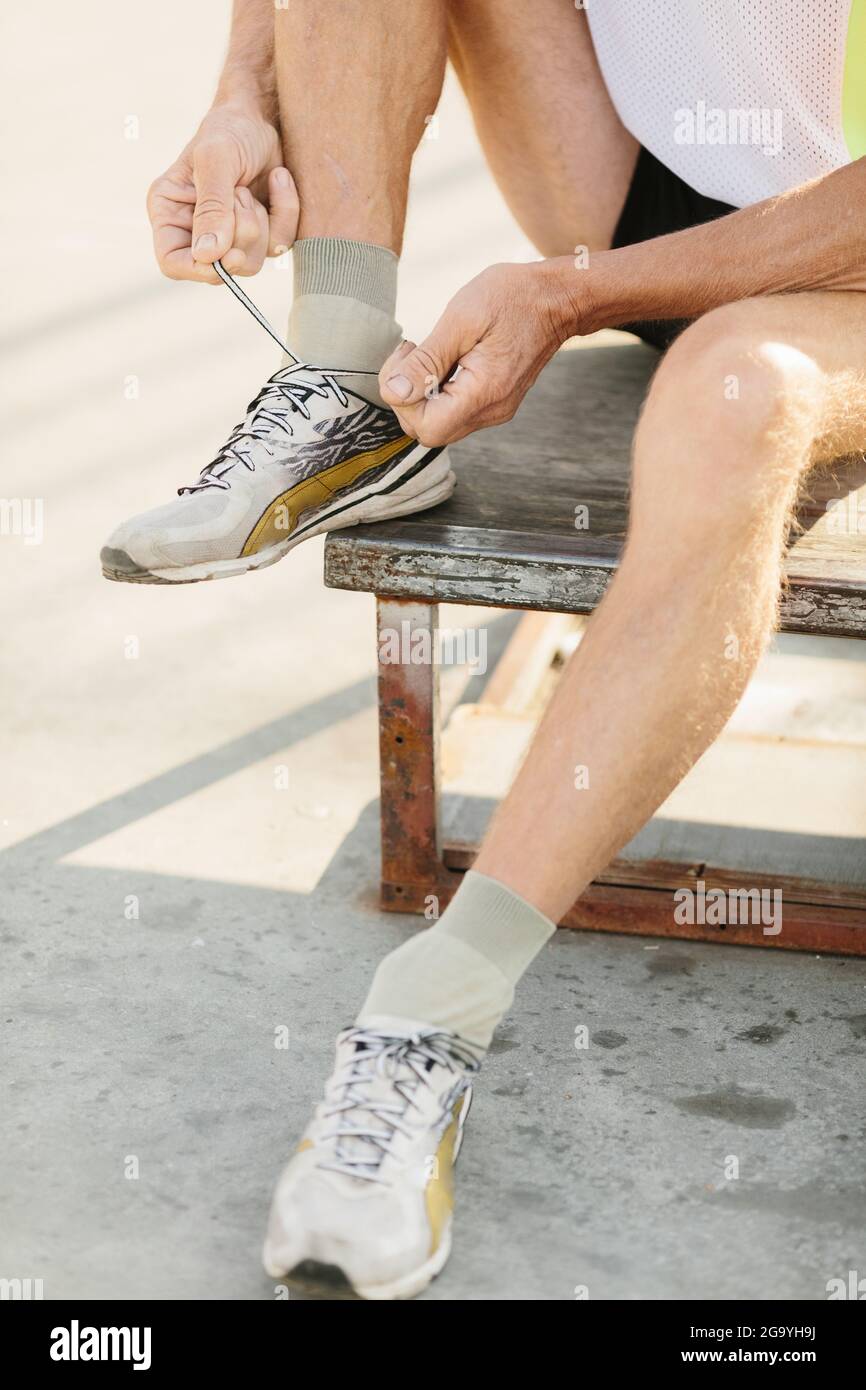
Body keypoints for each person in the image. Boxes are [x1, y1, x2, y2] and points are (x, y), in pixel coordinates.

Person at [101, 1, 866, 1299]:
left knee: (739, 401)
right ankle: (346, 386)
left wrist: (573, 295)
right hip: (645, 177)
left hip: (838, 256)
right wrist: (246, 92)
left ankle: (428, 1014)